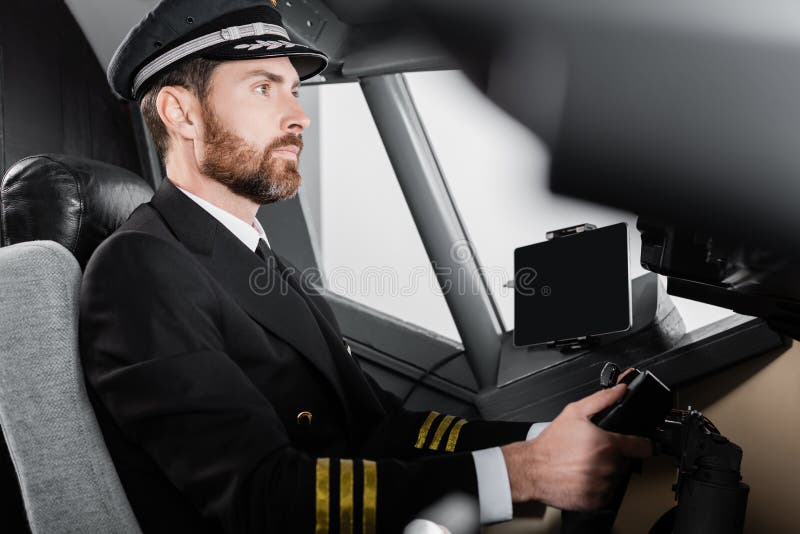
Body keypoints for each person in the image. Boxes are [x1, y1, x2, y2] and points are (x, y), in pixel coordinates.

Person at [80, 1, 652, 532]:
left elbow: (380, 425)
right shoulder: (138, 270)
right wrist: (520, 474)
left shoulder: (251, 254)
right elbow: (262, 496)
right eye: (263, 88)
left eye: (295, 91)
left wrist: (541, 439)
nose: (299, 116)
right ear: (180, 112)